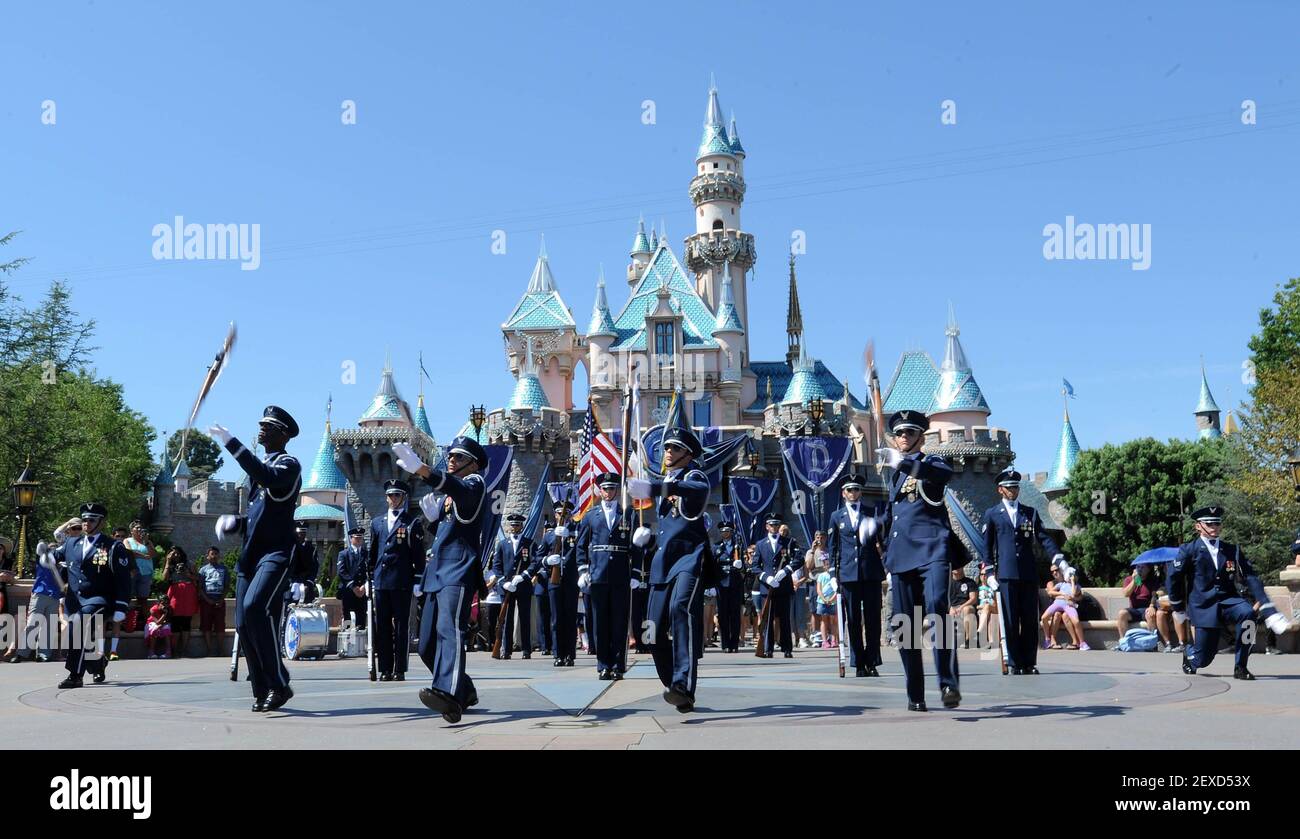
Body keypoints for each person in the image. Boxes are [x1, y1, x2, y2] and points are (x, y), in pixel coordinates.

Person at [209, 405, 303, 712]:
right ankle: (263, 689)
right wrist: (236, 522)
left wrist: (232, 443)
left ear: (283, 434)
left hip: (275, 553)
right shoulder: (258, 472)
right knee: (244, 624)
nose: (261, 428)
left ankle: (279, 684)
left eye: (269, 426)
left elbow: (267, 477)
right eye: (261, 424)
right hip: (251, 555)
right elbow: (259, 515)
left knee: (255, 608)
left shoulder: (289, 465)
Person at [392, 435, 488, 723]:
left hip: (458, 568)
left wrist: (423, 469)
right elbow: (451, 531)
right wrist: (434, 521)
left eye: (459, 457)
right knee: (426, 645)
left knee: (450, 630)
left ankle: (449, 695)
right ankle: (466, 689)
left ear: (472, 464)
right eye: (451, 456)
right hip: (438, 572)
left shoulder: (475, 484)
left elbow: (459, 490)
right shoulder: (451, 496)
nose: (452, 461)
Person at [874, 409, 961, 712]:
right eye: (899, 433)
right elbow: (892, 515)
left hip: (933, 550)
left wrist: (901, 461)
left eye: (910, 433)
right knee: (905, 626)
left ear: (920, 437)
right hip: (901, 556)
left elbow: (942, 475)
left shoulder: (931, 463)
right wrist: (869, 526)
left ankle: (948, 682)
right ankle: (916, 693)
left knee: (938, 607)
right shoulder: (895, 477)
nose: (903, 437)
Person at [627, 419, 714, 712]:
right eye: (665, 447)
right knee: (650, 630)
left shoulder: (696, 477)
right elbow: (666, 532)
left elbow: (692, 491)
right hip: (663, 564)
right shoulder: (668, 484)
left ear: (687, 454)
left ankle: (683, 683)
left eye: (674, 448)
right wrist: (647, 540)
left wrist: (652, 488)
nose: (667, 451)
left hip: (689, 560)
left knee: (681, 609)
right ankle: (674, 687)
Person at [1170, 505, 1291, 680]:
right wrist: (1178, 606)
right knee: (1204, 659)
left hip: (1229, 600)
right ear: (1198, 526)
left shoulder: (1231, 550)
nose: (1214, 528)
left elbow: (1250, 576)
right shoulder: (1189, 550)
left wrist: (1266, 604)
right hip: (1204, 605)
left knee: (1248, 613)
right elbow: (1174, 578)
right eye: (1209, 524)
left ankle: (1241, 666)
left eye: (1217, 524)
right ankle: (1190, 655)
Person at [38, 501, 132, 689]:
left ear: (102, 522)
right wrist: (45, 557)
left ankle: (75, 675)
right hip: (75, 600)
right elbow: (55, 557)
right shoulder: (72, 543)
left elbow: (123, 579)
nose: (87, 523)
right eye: (84, 520)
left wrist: (122, 605)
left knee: (77, 627)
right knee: (80, 635)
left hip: (99, 599)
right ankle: (98, 662)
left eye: (92, 520)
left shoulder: (113, 546)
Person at [982, 467, 1064, 674]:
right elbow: (987, 546)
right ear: (1000, 490)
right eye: (1009, 488)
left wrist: (1058, 557)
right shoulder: (992, 514)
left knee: (1029, 619)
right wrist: (990, 572)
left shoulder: (1030, 512)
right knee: (1010, 620)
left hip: (1028, 573)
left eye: (1015, 487)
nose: (1013, 491)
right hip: (1007, 574)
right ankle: (1014, 662)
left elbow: (1044, 538)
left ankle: (1029, 662)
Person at [576, 473, 636, 679]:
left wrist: (635, 572)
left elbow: (636, 548)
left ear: (617, 491)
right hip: (598, 574)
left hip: (621, 574)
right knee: (600, 622)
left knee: (619, 622)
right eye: (605, 488)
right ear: (599, 490)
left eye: (612, 489)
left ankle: (618, 664)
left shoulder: (628, 514)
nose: (609, 492)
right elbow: (581, 545)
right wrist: (583, 570)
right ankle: (603, 664)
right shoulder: (590, 515)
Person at [827, 474, 885, 676]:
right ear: (843, 493)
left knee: (873, 618)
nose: (853, 493)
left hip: (870, 572)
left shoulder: (871, 511)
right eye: (849, 490)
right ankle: (858, 662)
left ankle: (872, 661)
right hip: (848, 574)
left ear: (861, 492)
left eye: (856, 489)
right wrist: (833, 575)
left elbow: (882, 541)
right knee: (852, 619)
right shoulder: (836, 516)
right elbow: (833, 548)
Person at [368, 479, 425, 681]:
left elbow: (418, 554)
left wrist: (418, 579)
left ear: (404, 497)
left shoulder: (412, 522)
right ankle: (384, 668)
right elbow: (373, 553)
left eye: (397, 495)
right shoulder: (377, 522)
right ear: (386, 498)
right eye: (391, 495)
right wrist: (369, 578)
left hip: (402, 581)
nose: (394, 499)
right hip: (382, 581)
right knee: (382, 626)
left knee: (401, 626)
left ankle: (399, 668)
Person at [536, 500, 580, 667]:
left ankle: (569, 654)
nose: (562, 516)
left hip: (570, 580)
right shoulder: (549, 535)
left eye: (566, 513)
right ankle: (558, 654)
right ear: (555, 514)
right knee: (556, 619)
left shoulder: (576, 531)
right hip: (554, 580)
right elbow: (538, 558)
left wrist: (568, 535)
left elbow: (582, 550)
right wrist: (548, 560)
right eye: (559, 513)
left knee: (570, 617)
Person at [754, 514, 801, 658]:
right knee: (767, 620)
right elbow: (755, 566)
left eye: (776, 525)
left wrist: (786, 571)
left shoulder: (788, 542)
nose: (774, 527)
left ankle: (787, 648)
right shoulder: (760, 544)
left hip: (783, 586)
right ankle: (768, 649)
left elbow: (799, 559)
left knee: (785, 619)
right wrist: (766, 577)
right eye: (771, 525)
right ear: (767, 526)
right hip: (767, 588)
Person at [494, 512, 533, 659]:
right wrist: (503, 582)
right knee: (506, 619)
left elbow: (534, 562)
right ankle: (506, 650)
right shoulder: (503, 544)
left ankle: (526, 650)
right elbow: (496, 566)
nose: (514, 527)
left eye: (517, 525)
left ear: (522, 526)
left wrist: (523, 576)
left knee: (524, 618)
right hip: (507, 587)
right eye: (512, 525)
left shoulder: (528, 543)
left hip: (523, 585)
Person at [713, 521, 744, 653]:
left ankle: (734, 644)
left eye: (727, 531)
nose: (725, 533)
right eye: (723, 531)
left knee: (735, 615)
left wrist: (741, 565)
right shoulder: (716, 547)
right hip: (722, 584)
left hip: (735, 584)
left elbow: (746, 565)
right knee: (723, 615)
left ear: (731, 532)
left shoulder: (739, 547)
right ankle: (725, 644)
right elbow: (713, 566)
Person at [1040, 565, 1087, 650]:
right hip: (1057, 606)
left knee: (1070, 618)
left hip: (1069, 606)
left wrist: (1072, 583)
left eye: (1056, 570)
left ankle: (1080, 642)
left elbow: (1076, 595)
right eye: (1052, 572)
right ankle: (1049, 640)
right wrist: (1063, 595)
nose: (1054, 572)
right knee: (1049, 616)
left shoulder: (1076, 585)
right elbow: (1051, 593)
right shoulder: (1055, 584)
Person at [164, 549, 199, 657]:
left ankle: (184, 650)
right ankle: (174, 650)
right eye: (173, 553)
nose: (176, 555)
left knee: (186, 621)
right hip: (175, 592)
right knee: (175, 620)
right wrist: (167, 562)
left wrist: (187, 574)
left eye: (177, 553)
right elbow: (164, 578)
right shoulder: (170, 565)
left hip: (188, 591)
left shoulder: (189, 564)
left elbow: (197, 578)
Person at [197, 547, 229, 656]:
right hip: (207, 601)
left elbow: (226, 586)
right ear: (208, 556)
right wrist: (207, 600)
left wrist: (221, 599)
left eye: (216, 554)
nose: (214, 556)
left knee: (220, 626)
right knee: (207, 626)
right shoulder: (203, 570)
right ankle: (209, 649)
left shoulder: (224, 569)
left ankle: (221, 649)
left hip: (219, 600)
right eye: (212, 554)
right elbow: (200, 587)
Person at [336, 527, 369, 632]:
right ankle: (347, 643)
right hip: (348, 592)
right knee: (347, 619)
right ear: (351, 538)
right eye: (356, 537)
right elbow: (341, 571)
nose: (359, 540)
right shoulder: (344, 554)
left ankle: (359, 646)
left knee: (361, 618)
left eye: (361, 537)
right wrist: (353, 586)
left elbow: (370, 570)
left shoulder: (366, 554)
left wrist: (365, 585)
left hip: (362, 592)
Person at [1117, 562, 1160, 639]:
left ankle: (1152, 642)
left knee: (1150, 614)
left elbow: (1154, 595)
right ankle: (1123, 642)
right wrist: (1134, 581)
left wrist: (1151, 606)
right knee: (1122, 613)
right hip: (1134, 610)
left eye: (1143, 567)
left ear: (1148, 569)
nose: (1140, 569)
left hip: (1146, 608)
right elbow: (1126, 594)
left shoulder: (1152, 580)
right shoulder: (1128, 579)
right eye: (1138, 567)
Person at [949, 567, 978, 649]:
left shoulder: (970, 582)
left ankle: (968, 640)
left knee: (967, 609)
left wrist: (961, 607)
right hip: (953, 608)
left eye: (959, 566)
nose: (956, 568)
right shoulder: (948, 583)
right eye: (955, 566)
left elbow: (973, 599)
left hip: (966, 607)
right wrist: (951, 607)